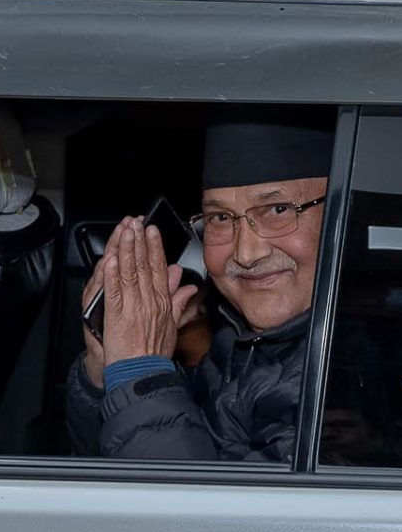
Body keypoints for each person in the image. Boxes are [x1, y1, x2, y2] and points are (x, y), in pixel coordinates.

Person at [66, 116, 333, 461]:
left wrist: (140, 372)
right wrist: (106, 372)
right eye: (220, 218)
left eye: (278, 210)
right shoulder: (235, 349)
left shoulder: (341, 375)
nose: (247, 253)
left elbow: (192, 514)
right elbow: (104, 477)